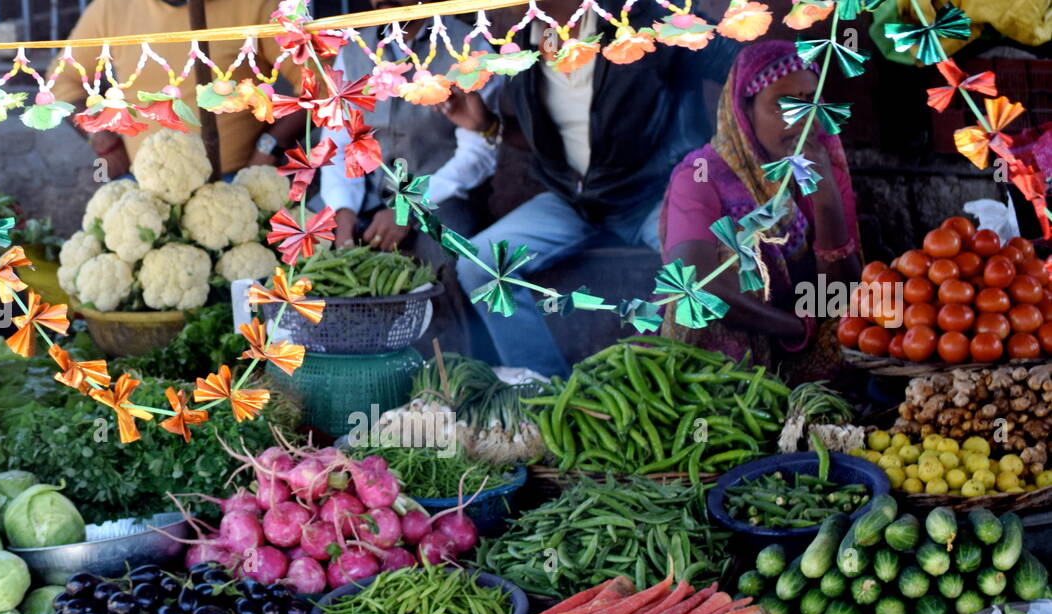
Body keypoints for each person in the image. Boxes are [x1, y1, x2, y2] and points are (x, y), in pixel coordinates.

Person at [445, 2, 737, 377]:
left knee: (701, 274)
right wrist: (487, 125)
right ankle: (544, 386)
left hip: (656, 195)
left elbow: (741, 63)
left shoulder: (643, 17)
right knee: (480, 265)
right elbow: (554, 140)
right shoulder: (523, 40)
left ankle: (702, 386)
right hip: (575, 202)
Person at [660, 39, 861, 370]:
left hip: (807, 333)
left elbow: (842, 294)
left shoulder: (824, 169)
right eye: (782, 105)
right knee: (732, 248)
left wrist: (826, 199)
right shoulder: (701, 176)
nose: (802, 120)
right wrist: (795, 328)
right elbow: (693, 282)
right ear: (745, 112)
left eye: (810, 102)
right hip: (725, 356)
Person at [50, 0, 305, 179]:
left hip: (234, 182)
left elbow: (319, 87)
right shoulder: (111, 7)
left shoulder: (258, 5)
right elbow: (60, 81)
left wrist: (269, 147)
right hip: (141, 184)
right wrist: (102, 139)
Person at [320, 2, 499, 256]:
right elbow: (337, 140)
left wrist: (408, 206)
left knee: (447, 254)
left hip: (441, 197)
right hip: (367, 193)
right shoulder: (354, 48)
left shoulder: (468, 49)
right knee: (306, 240)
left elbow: (479, 154)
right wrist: (342, 207)